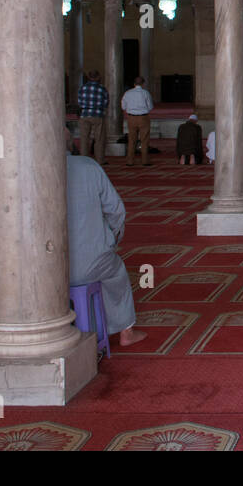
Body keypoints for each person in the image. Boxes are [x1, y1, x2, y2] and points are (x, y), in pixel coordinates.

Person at [64, 129, 145, 347]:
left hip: (44, 270)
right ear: (71, 143)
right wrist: (111, 240)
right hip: (92, 261)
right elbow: (116, 210)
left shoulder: (29, 171)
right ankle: (126, 332)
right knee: (117, 273)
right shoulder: (88, 166)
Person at [120, 76, 154, 167]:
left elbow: (123, 107)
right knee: (144, 140)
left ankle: (130, 161)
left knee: (131, 140)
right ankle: (145, 161)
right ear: (143, 84)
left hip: (131, 118)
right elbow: (150, 106)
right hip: (143, 118)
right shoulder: (145, 93)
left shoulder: (128, 93)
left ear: (134, 84)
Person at [78, 70, 109, 164]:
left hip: (85, 114)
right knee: (99, 138)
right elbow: (106, 103)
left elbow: (79, 102)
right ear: (98, 77)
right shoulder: (102, 89)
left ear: (88, 77)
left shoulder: (82, 88)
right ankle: (100, 160)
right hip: (98, 114)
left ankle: (84, 160)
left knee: (84, 138)